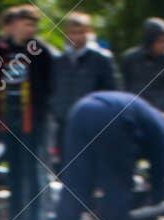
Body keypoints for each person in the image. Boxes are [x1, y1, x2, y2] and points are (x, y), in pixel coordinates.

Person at [51, 90, 164, 220]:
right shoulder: (161, 126)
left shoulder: (144, 111)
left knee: (76, 179)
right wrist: (157, 199)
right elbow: (160, 165)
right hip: (111, 116)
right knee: (117, 183)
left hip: (80, 110)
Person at [0, 5, 53, 220]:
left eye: (33, 25)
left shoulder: (41, 51)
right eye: (25, 23)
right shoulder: (2, 50)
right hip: (10, 117)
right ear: (15, 24)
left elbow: (49, 86)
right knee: (14, 171)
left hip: (33, 119)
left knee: (32, 171)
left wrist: (42, 113)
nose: (29, 29)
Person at [49, 12, 117, 170]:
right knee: (66, 167)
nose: (77, 37)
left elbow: (111, 91)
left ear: (88, 32)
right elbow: (53, 89)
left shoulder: (101, 59)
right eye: (73, 32)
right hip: (65, 122)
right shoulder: (59, 60)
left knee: (91, 166)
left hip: (92, 122)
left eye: (81, 32)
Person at [121, 18, 164, 117]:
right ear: (150, 40)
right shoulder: (130, 59)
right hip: (135, 110)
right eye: (161, 41)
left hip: (161, 112)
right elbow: (125, 86)